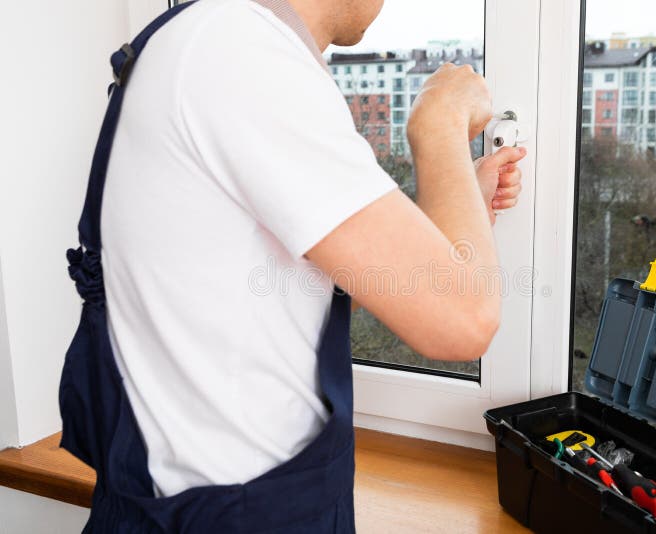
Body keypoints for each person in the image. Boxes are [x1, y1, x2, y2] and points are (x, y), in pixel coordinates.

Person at [60, 0, 525, 531]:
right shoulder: (240, 54)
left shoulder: (204, 40)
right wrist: (439, 121)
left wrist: (461, 202)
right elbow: (463, 320)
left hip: (202, 502)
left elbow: (353, 266)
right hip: (230, 516)